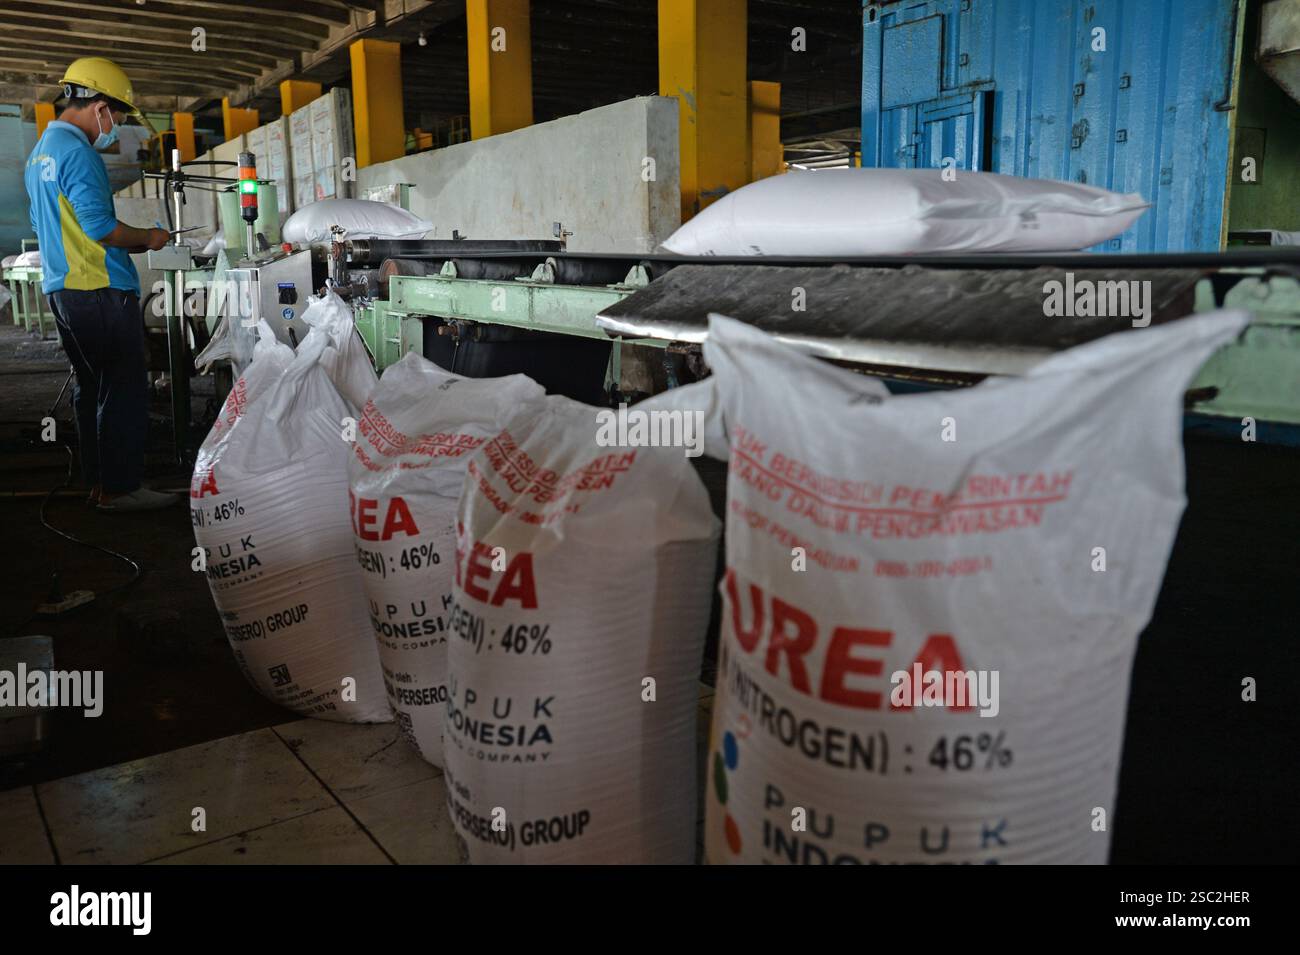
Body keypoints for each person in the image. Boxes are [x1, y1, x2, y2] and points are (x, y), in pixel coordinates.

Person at [25, 57, 177, 511]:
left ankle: (97, 482)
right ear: (100, 107)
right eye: (119, 116)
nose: (116, 128)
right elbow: (100, 228)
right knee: (124, 386)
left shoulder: (40, 154)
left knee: (91, 386)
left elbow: (41, 221)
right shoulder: (78, 153)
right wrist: (150, 238)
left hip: (63, 289)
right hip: (98, 287)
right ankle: (120, 488)